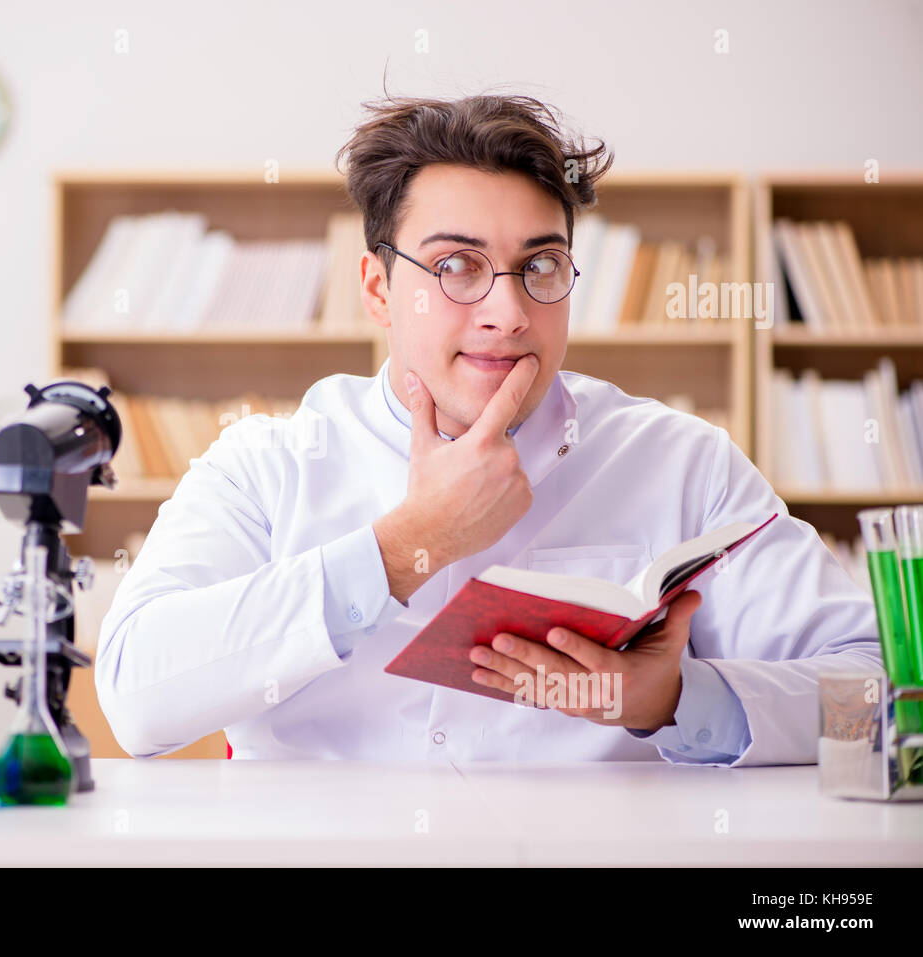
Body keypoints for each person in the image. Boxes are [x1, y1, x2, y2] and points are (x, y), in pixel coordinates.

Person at [95, 92, 881, 764]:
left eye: (540, 266)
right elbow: (135, 699)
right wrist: (404, 547)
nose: (507, 313)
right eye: (456, 266)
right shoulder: (265, 465)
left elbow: (879, 695)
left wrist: (676, 699)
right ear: (378, 288)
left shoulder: (682, 462)